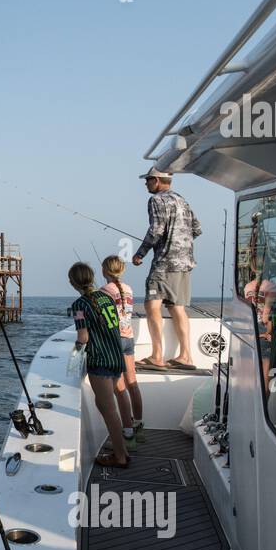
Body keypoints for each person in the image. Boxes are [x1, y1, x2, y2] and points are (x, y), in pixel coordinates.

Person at [131, 169, 201, 370]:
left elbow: (156, 230)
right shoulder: (182, 200)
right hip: (185, 263)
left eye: (147, 181)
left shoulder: (156, 201)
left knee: (152, 306)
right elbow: (196, 228)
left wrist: (140, 254)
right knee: (177, 307)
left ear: (156, 180)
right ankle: (186, 356)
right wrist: (179, 241)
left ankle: (157, 356)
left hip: (164, 264)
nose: (145, 184)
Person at [67, 261, 130, 468]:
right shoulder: (107, 297)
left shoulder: (78, 306)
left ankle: (120, 457)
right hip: (116, 359)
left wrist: (75, 348)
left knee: (108, 409)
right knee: (105, 406)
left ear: (72, 282)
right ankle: (122, 449)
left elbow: (83, 338)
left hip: (100, 362)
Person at [100, 255, 144, 448]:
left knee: (120, 390)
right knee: (132, 383)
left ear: (105, 271)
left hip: (115, 341)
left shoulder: (104, 291)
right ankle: (139, 425)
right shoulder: (128, 289)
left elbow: (103, 319)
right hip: (128, 339)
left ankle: (127, 435)